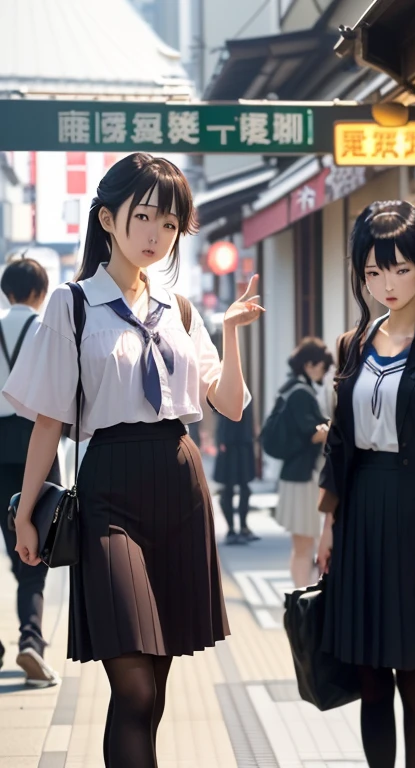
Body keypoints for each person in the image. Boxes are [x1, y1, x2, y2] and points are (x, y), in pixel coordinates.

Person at [3, 153, 263, 768]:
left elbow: (228, 404)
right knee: (134, 686)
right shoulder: (71, 304)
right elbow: (48, 420)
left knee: (156, 686)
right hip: (109, 489)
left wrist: (230, 332)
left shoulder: (180, 309)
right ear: (107, 219)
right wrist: (24, 513)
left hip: (179, 483)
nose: (156, 234)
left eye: (169, 224)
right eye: (143, 217)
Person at [316, 200, 415, 768]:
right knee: (370, 679)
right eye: (373, 272)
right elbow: (340, 441)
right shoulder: (352, 344)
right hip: (360, 515)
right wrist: (328, 522)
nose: (386, 284)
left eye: (400, 270)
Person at [0, 258, 61, 687]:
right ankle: (31, 640)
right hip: (36, 446)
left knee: (9, 548)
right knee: (34, 549)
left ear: (6, 292)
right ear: (41, 292)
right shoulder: (46, 332)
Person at [273, 337, 332, 586]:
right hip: (302, 479)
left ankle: (300, 595)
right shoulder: (301, 393)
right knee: (305, 545)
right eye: (322, 367)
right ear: (309, 365)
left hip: (294, 475)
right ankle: (301, 598)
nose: (323, 373)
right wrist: (332, 429)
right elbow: (311, 433)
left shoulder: (290, 388)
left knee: (302, 545)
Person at [215, 400, 259, 545]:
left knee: (244, 489)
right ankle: (231, 529)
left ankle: (243, 527)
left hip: (243, 444)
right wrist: (222, 440)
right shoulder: (225, 391)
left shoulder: (246, 394)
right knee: (228, 489)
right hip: (229, 445)